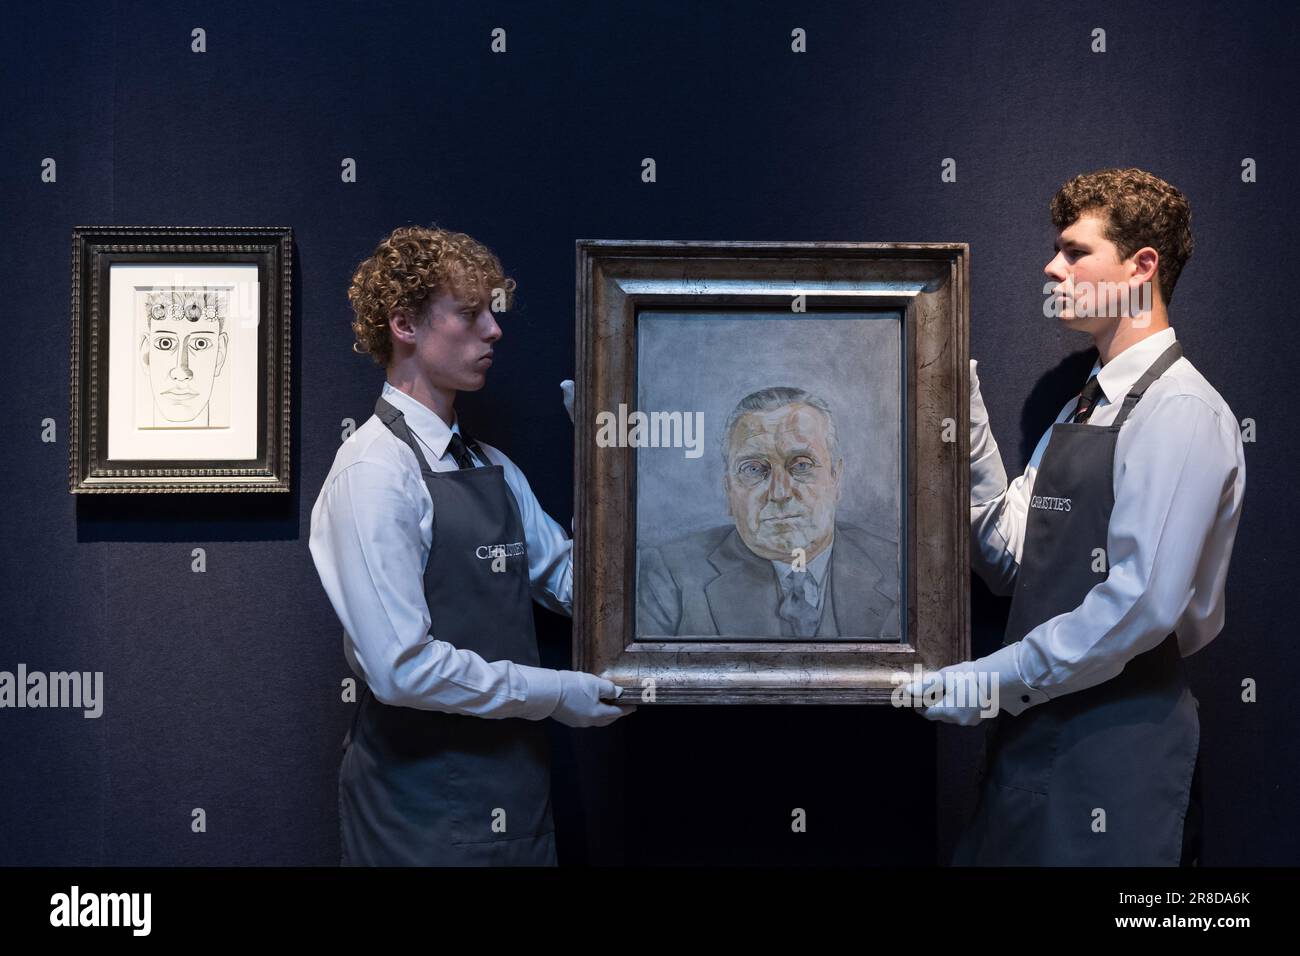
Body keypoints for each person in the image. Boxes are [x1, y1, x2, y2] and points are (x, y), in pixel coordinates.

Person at [911, 168, 1245, 865]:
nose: (1050, 266)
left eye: (1073, 250)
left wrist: (990, 681)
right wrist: (959, 410)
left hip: (1120, 749)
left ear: (1141, 266)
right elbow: (1008, 559)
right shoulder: (1081, 409)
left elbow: (1141, 604)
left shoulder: (1179, 410)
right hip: (1032, 744)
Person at [309, 225, 634, 866]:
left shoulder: (493, 466)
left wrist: (612, 455)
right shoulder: (373, 471)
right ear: (404, 324)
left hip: (515, 794)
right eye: (469, 313)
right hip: (417, 809)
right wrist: (557, 693)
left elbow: (582, 589)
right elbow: (401, 670)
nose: (494, 330)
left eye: (493, 311)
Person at [638, 386, 899, 639]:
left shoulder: (899, 568)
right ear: (729, 490)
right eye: (753, 469)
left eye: (801, 465)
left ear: (836, 479)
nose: (780, 492)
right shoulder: (670, 577)